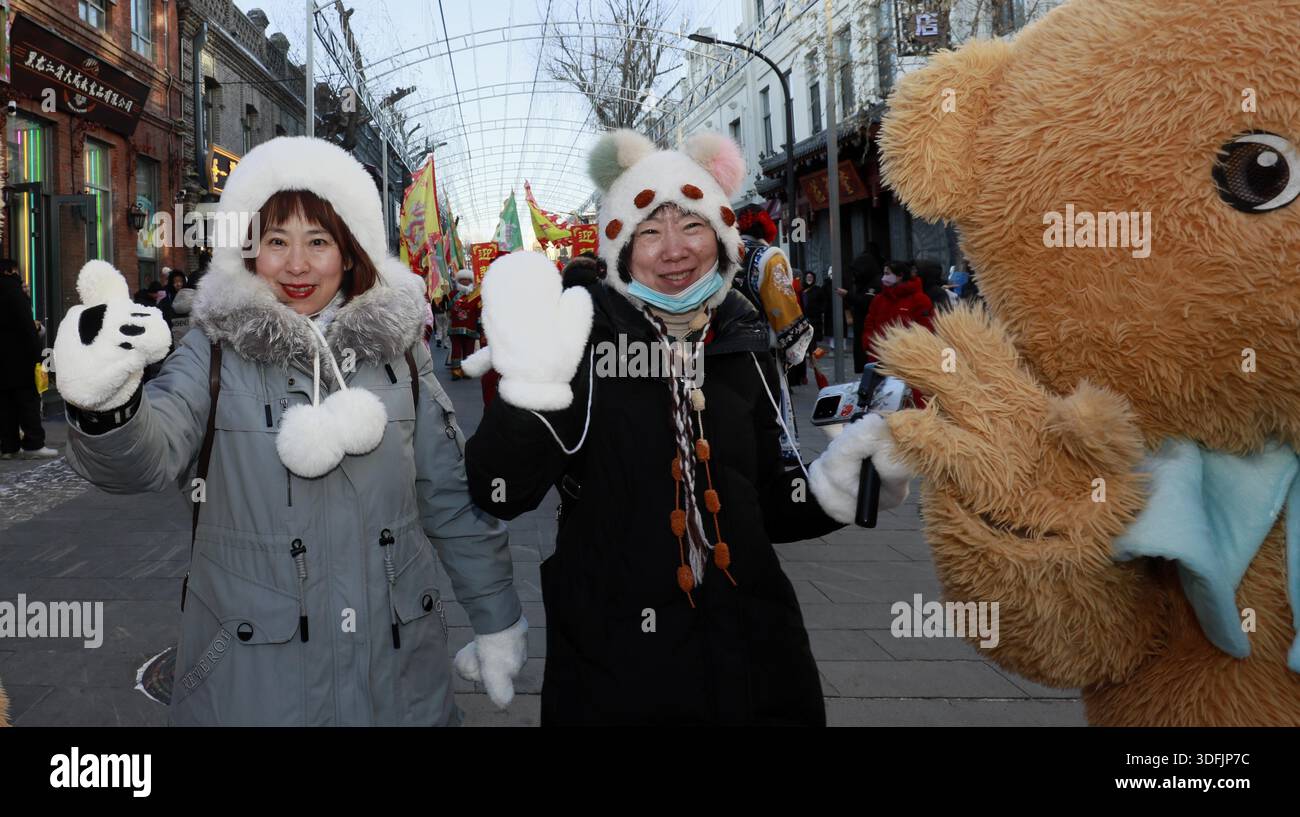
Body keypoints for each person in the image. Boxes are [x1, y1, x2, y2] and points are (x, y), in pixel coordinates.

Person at [56, 136, 526, 726]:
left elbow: (453, 503)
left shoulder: (401, 355)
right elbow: (146, 459)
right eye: (276, 241)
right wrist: (107, 407)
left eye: (319, 242)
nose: (297, 264)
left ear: (351, 252)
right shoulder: (215, 349)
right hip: (250, 683)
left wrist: (496, 617)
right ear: (250, 252)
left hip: (398, 681)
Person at [461, 129, 911, 725]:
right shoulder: (580, 339)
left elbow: (773, 503)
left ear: (722, 239)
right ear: (620, 248)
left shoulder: (745, 335)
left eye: (692, 225)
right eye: (649, 230)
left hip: (755, 658)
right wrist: (531, 384)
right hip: (616, 663)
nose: (674, 249)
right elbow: (501, 490)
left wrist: (841, 481)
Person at [0, 259, 57, 459]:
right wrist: (38, 356)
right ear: (9, 271)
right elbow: (26, 327)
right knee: (28, 403)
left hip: (3, 362)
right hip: (21, 359)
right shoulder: (15, 292)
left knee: (6, 405)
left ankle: (9, 447)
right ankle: (34, 444)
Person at [862, 259, 935, 364]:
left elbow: (925, 329)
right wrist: (870, 345)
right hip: (879, 358)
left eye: (887, 273)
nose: (884, 277)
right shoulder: (879, 299)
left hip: (907, 361)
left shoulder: (920, 300)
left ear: (900, 276)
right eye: (884, 273)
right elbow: (869, 325)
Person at [447, 269, 481, 380]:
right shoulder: (452, 294)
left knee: (469, 350)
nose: (465, 282)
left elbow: (479, 310)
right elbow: (448, 308)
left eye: (467, 279)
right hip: (455, 327)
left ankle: (467, 370)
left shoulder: (476, 295)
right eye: (462, 280)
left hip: (471, 326)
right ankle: (456, 370)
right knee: (456, 349)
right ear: (458, 281)